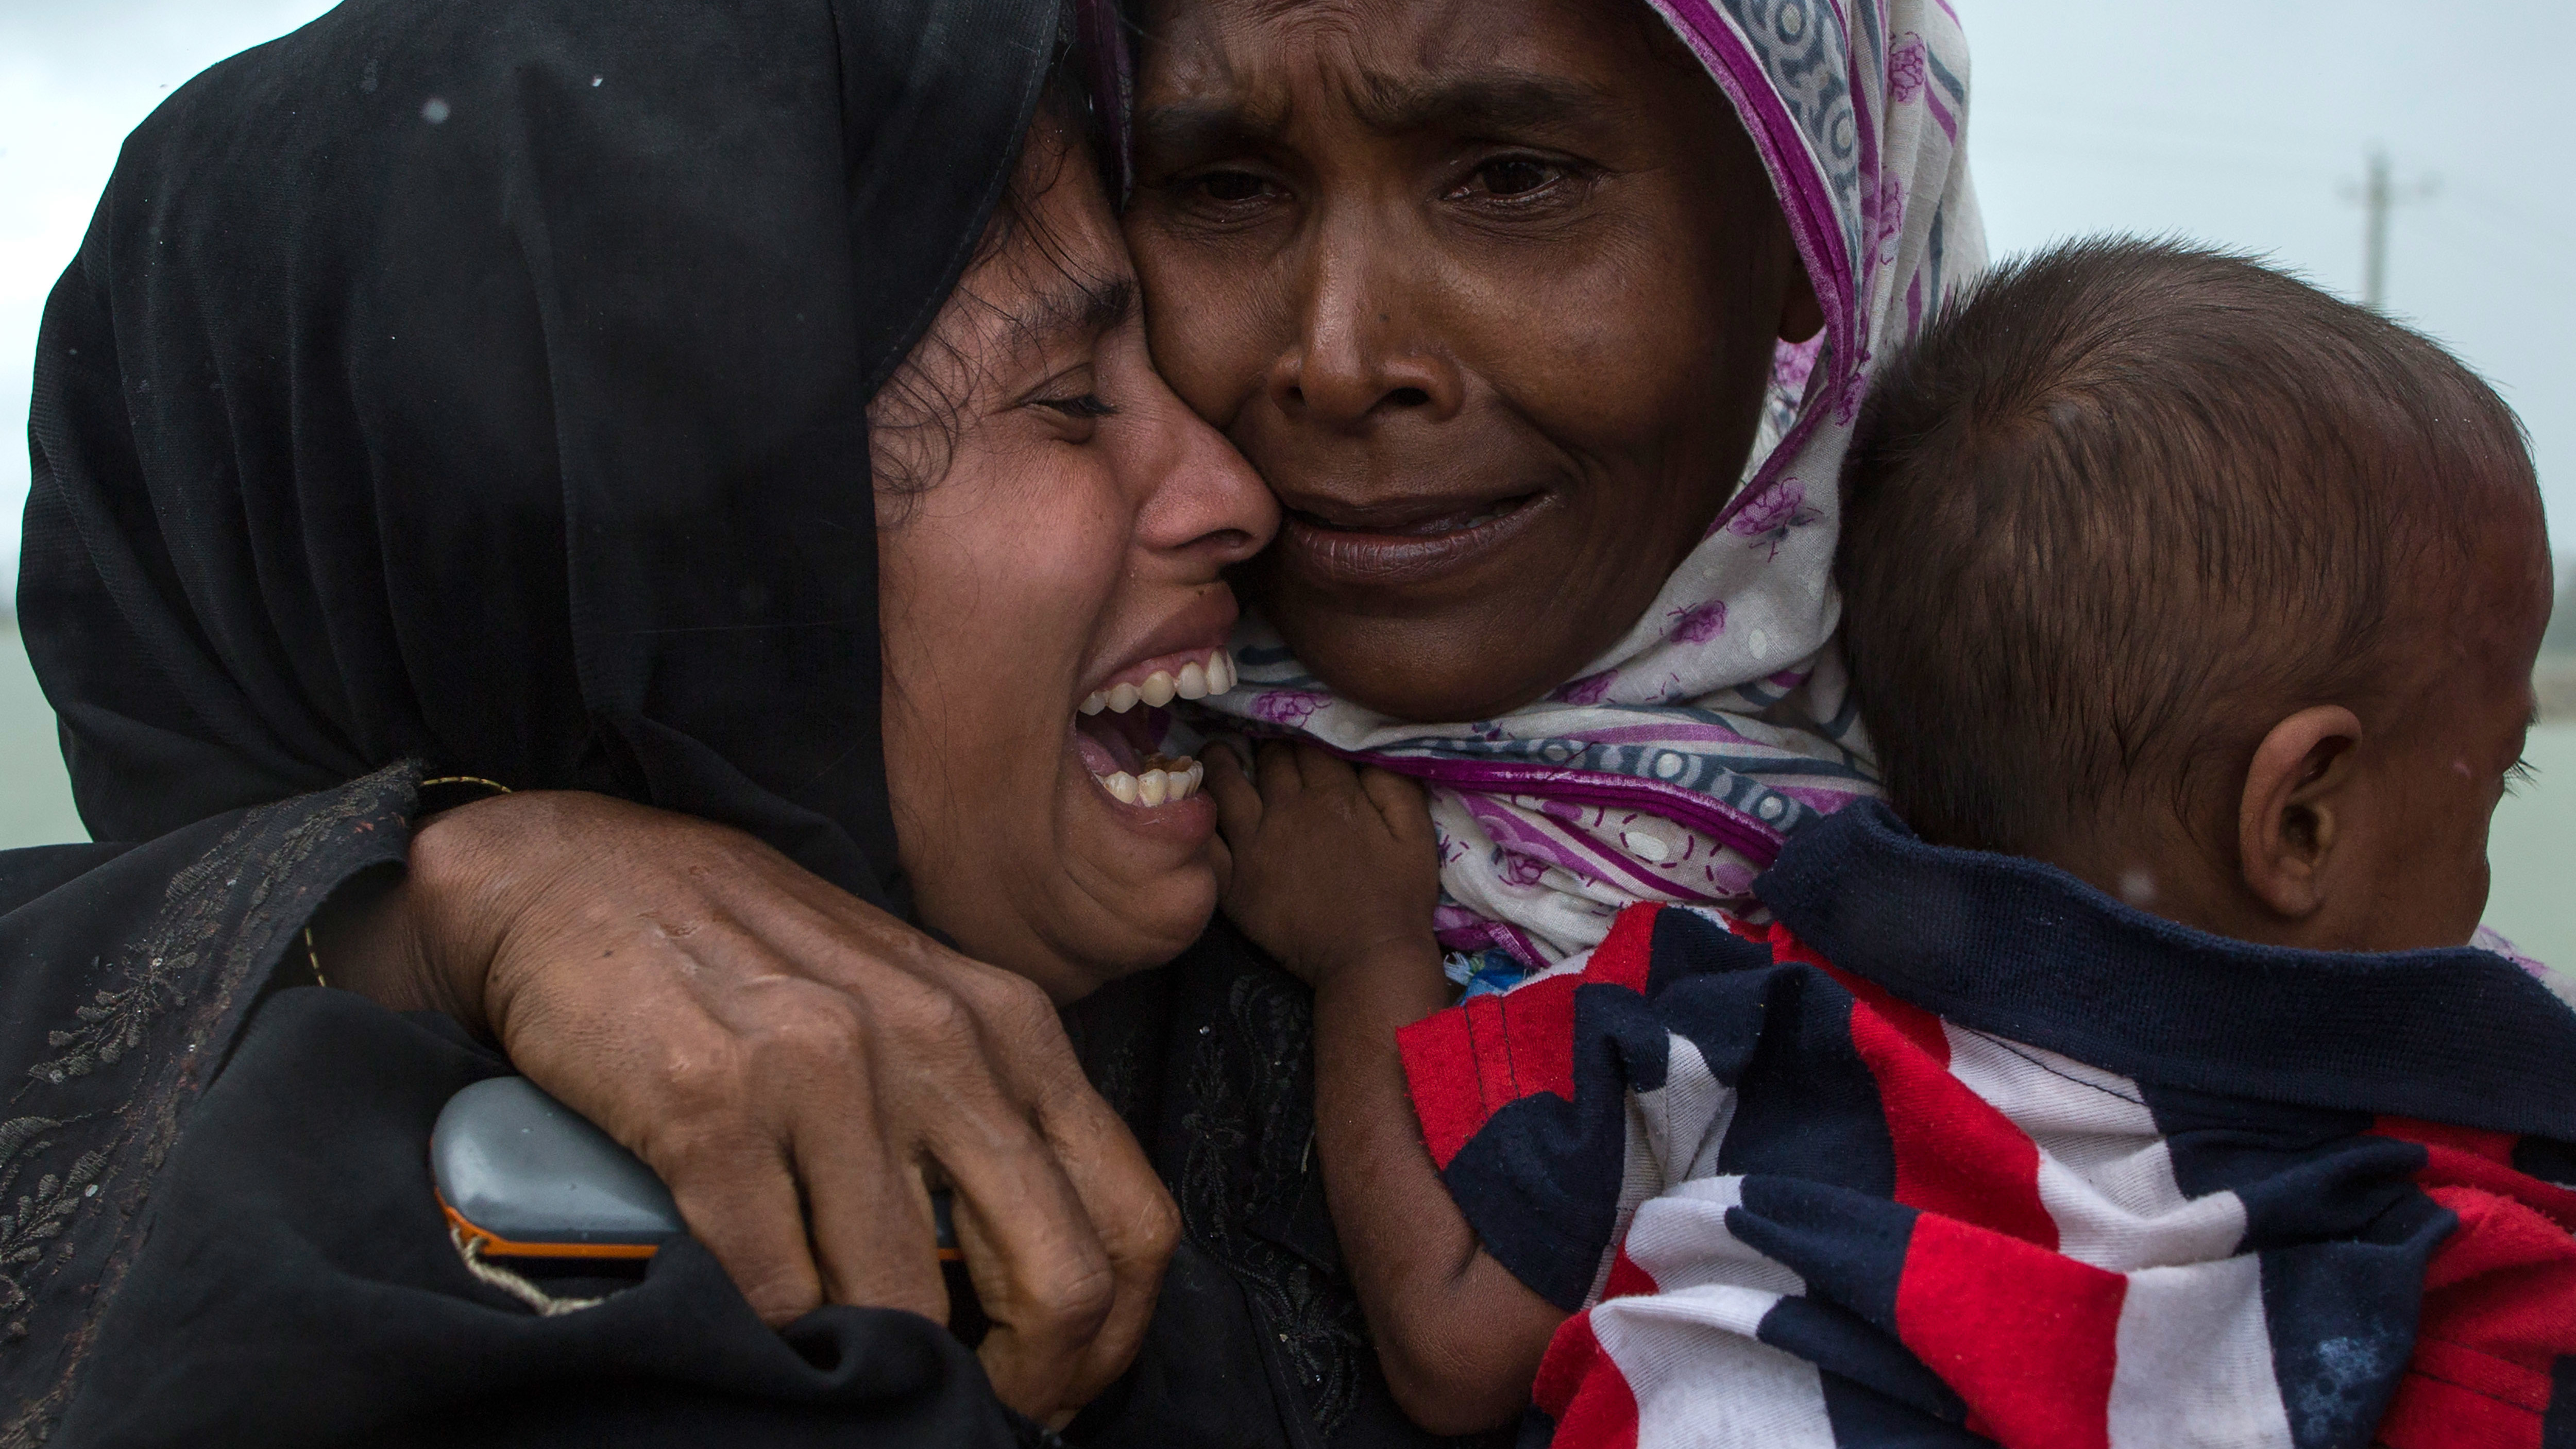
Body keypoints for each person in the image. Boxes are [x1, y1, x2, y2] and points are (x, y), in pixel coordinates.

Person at [137, 2, 1976, 1443]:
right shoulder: (271, 1181)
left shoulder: (2022, 834)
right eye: (1075, 402)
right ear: (672, 535)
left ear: (1809, 223)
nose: (1280, 431)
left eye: (1513, 173)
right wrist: (430, 895)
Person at [3, 0, 1275, 1441]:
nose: (1238, 494)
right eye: (1073, 400)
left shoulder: (1355, 908)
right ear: (641, 548)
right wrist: (432, 896)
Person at [1215, 240, 2576, 1446]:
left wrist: (1366, 951)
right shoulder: (2463, 1192)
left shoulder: (1723, 1005)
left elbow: (1456, 1335)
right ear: (2302, 817)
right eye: (2497, 777)